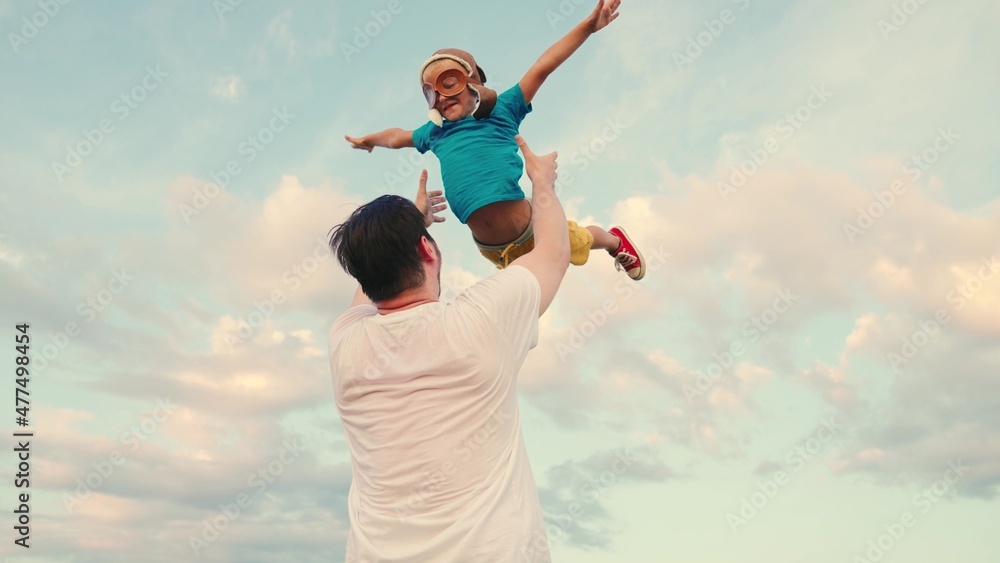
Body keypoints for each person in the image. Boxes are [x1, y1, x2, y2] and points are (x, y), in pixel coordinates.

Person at [326, 136, 565, 561]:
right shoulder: (480, 320)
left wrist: (403, 235)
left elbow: (369, 283)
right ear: (426, 248)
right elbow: (553, 253)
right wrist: (542, 183)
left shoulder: (346, 345)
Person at [345, 0, 646, 281]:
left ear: (473, 81)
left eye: (449, 83)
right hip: (490, 249)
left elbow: (543, 66)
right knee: (524, 297)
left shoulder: (502, 110)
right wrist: (369, 140)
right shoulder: (435, 132)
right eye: (431, 93)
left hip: (535, 230)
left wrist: (587, 27)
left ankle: (614, 240)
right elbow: (396, 137)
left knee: (581, 239)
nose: (442, 96)